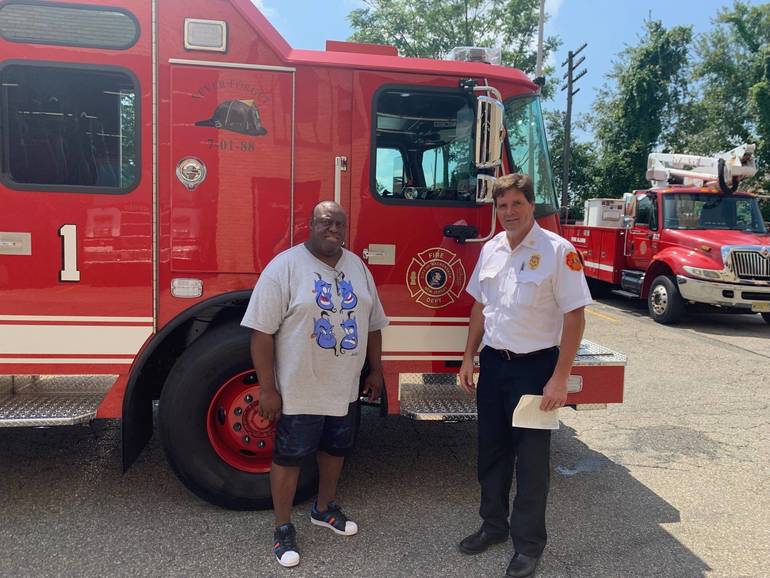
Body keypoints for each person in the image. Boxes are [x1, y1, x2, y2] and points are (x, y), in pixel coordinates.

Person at [457, 173, 592, 578]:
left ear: (531, 205)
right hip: (495, 365)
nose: (509, 213)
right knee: (492, 452)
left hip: (536, 370)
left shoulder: (558, 251)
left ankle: (529, 545)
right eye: (502, 206)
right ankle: (493, 526)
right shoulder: (492, 249)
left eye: (516, 204)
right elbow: (480, 307)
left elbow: (575, 318)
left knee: (532, 462)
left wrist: (560, 377)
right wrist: (468, 357)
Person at [241, 201, 388, 569]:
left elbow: (373, 323)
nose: (333, 228)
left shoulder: (358, 267)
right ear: (310, 225)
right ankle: (282, 527)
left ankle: (324, 509)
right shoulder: (285, 267)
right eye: (325, 221)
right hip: (299, 388)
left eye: (339, 222)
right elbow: (261, 331)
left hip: (344, 386)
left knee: (336, 450)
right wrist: (268, 388)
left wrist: (375, 370)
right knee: (289, 458)